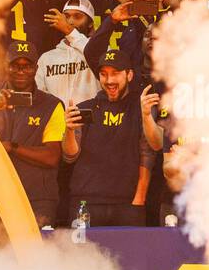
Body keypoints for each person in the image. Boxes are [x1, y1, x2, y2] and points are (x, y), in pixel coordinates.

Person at [63, 48, 163, 226]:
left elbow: (148, 155)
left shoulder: (140, 109)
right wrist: (69, 130)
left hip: (127, 204)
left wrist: (138, 200)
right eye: (103, 74)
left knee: (130, 255)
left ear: (129, 75)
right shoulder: (85, 108)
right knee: (81, 254)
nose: (109, 80)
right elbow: (69, 156)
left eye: (115, 73)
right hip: (85, 202)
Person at [0, 40, 68, 228]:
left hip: (37, 199)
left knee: (35, 255)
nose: (21, 71)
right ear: (6, 67)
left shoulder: (51, 105)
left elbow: (52, 157)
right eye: (15, 66)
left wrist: (13, 148)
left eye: (27, 66)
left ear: (36, 68)